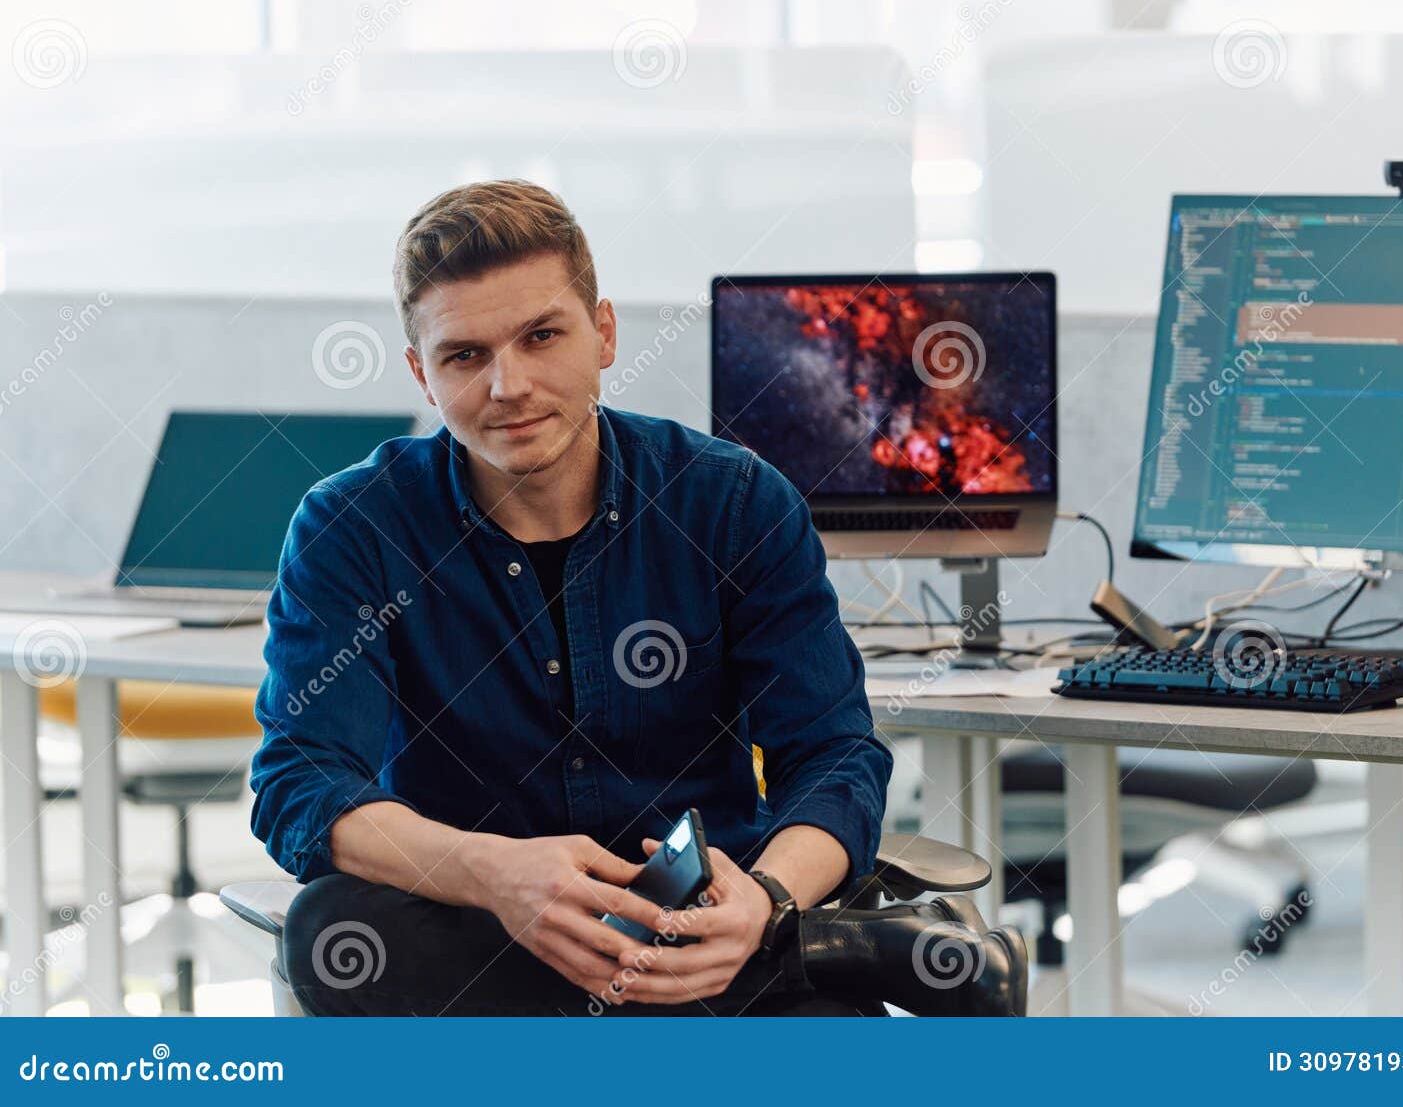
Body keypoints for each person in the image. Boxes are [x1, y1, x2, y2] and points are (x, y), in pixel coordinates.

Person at [249, 179, 1026, 1015]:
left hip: (710, 935)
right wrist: (493, 872)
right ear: (422, 374)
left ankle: (793, 947)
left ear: (605, 334)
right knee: (331, 931)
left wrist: (766, 899)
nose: (508, 385)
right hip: (488, 934)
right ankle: (834, 951)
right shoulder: (354, 526)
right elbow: (302, 780)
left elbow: (834, 756)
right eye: (465, 356)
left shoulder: (733, 502)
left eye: (542, 336)